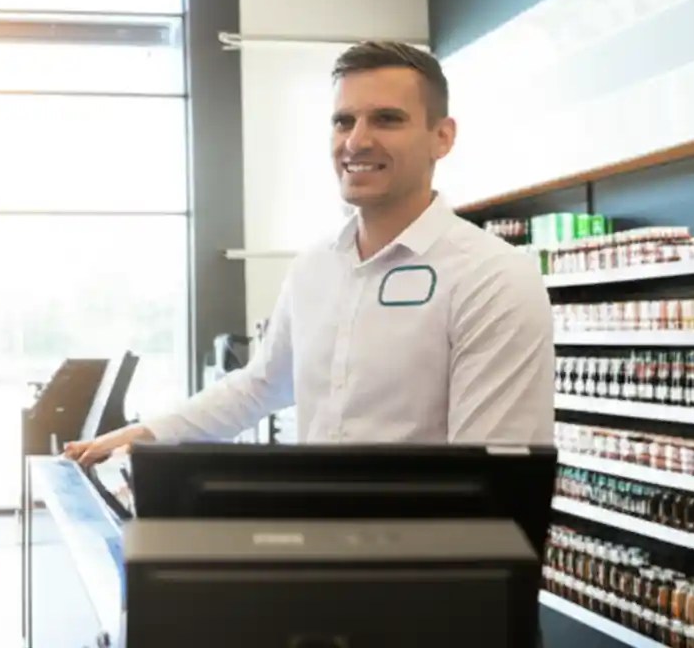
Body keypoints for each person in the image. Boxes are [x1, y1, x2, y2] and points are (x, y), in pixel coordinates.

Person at [65, 40, 554, 467]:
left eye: (387, 119)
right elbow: (261, 384)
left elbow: (489, 473)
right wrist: (147, 435)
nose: (357, 140)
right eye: (344, 121)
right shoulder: (315, 267)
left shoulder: (492, 278)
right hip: (319, 547)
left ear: (442, 137)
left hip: (421, 563)